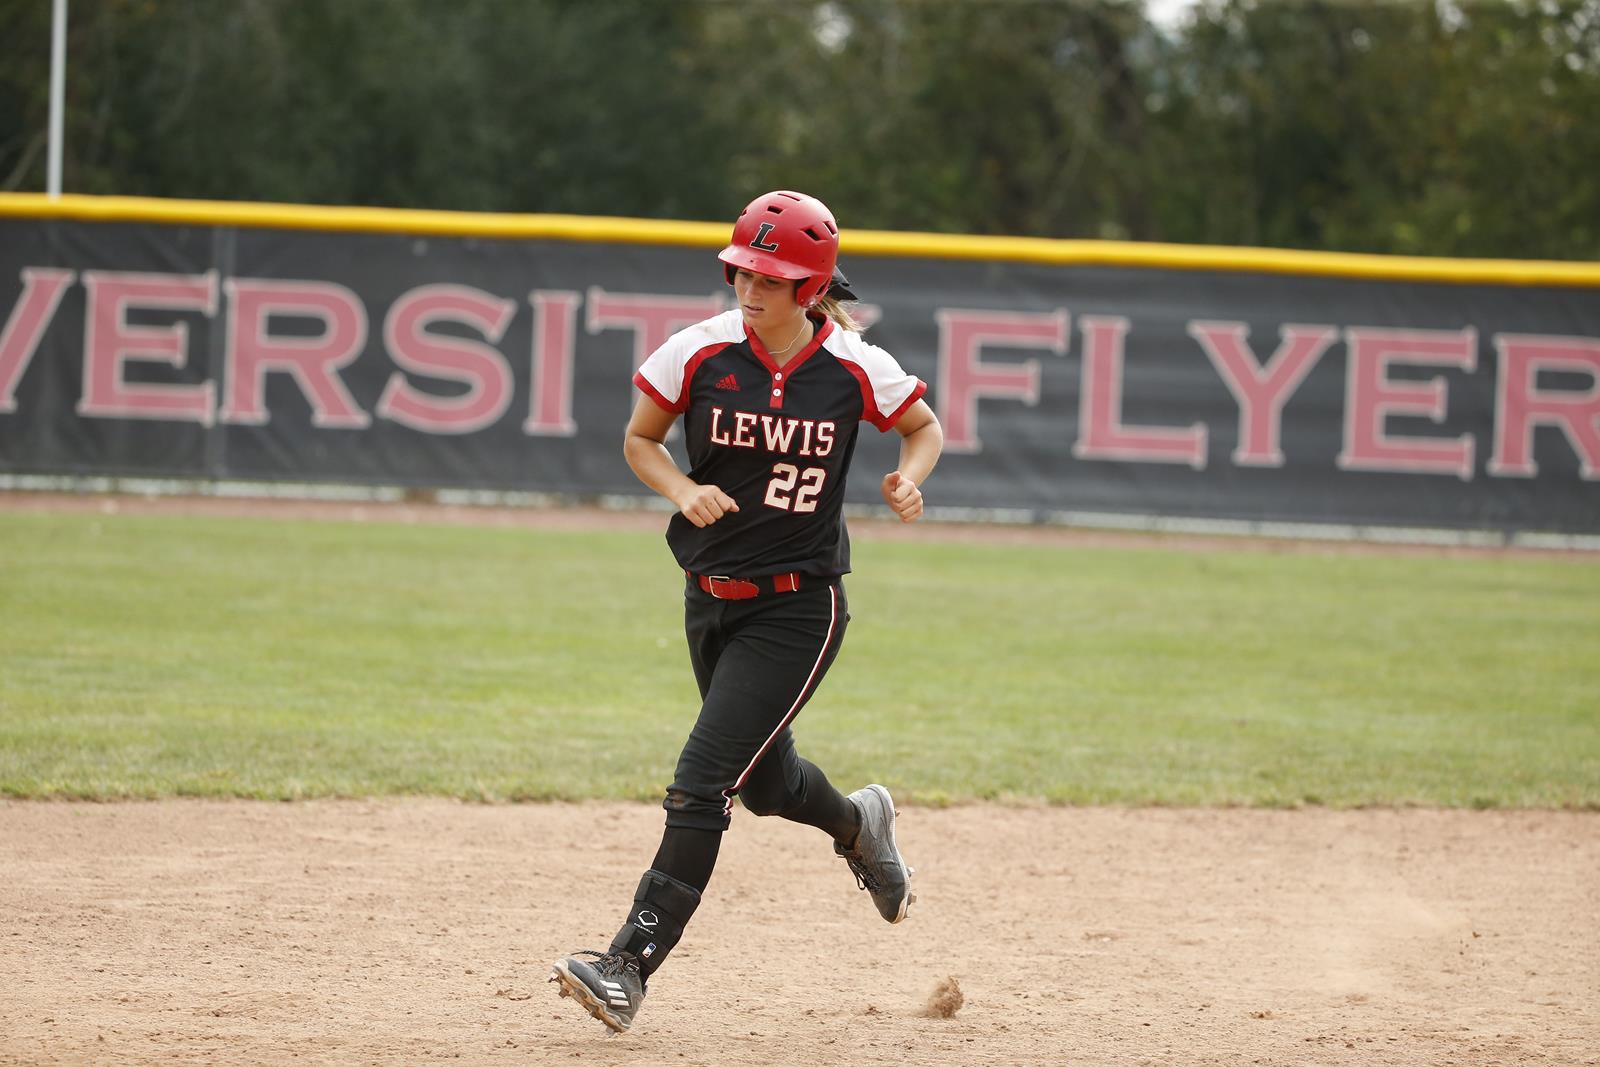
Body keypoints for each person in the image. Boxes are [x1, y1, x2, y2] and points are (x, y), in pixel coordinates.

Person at [548, 189, 944, 1034]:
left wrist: (912, 475)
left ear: (812, 288)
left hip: (799, 610)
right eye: (742, 270)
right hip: (710, 599)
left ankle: (627, 965)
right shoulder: (699, 353)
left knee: (702, 783)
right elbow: (639, 439)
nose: (749, 287)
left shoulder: (853, 365)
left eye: (771, 277)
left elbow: (923, 425)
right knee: (765, 784)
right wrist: (683, 487)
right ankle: (858, 822)